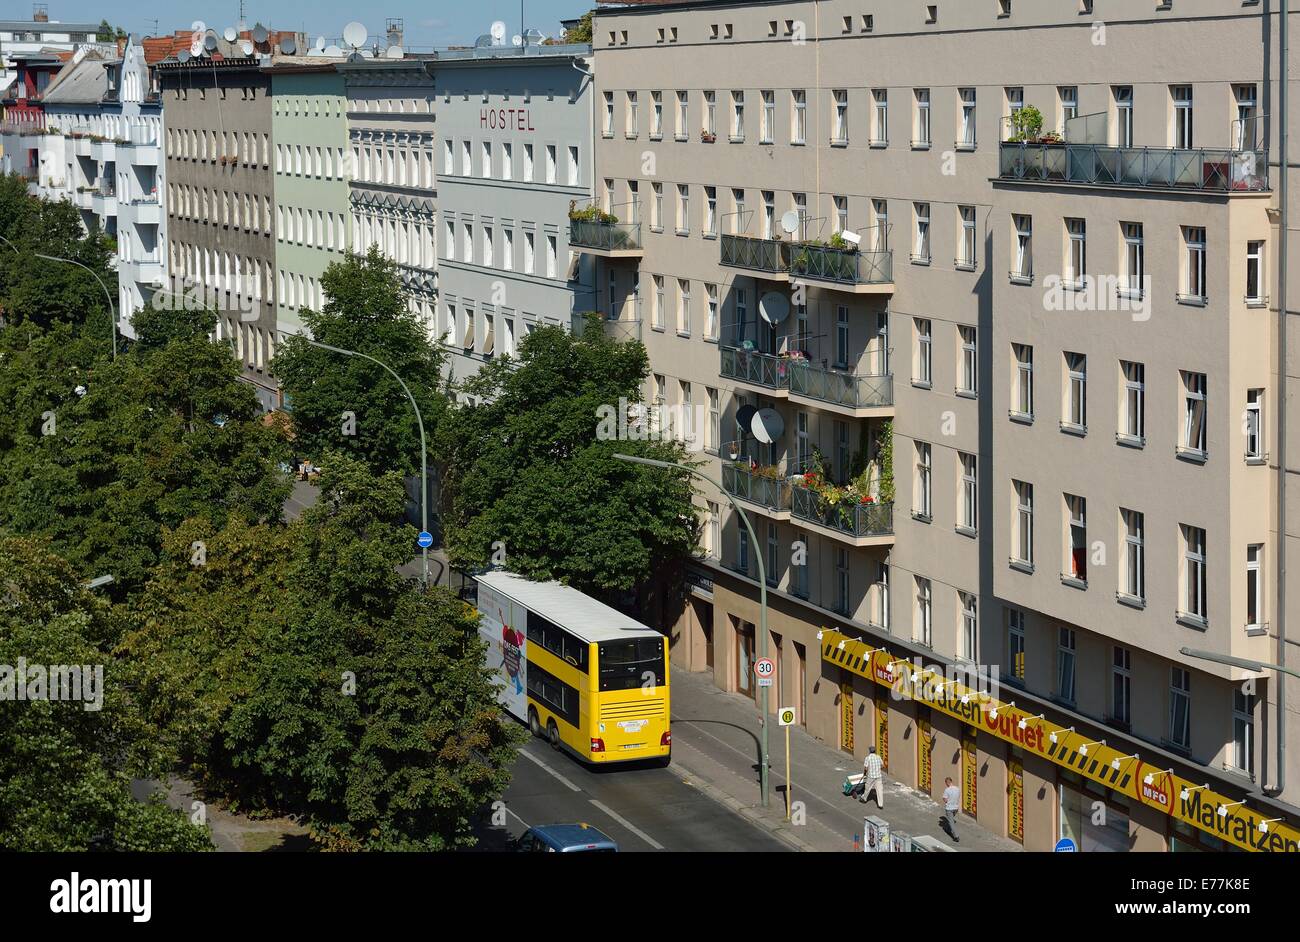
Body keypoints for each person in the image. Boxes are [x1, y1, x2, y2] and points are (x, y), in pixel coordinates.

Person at [942, 777, 961, 842]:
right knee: (951, 819)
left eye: (946, 783)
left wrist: (947, 801)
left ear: (947, 782)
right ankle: (948, 828)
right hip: (956, 808)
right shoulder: (957, 788)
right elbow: (958, 796)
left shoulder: (947, 790)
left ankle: (956, 836)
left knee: (951, 822)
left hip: (949, 808)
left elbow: (945, 799)